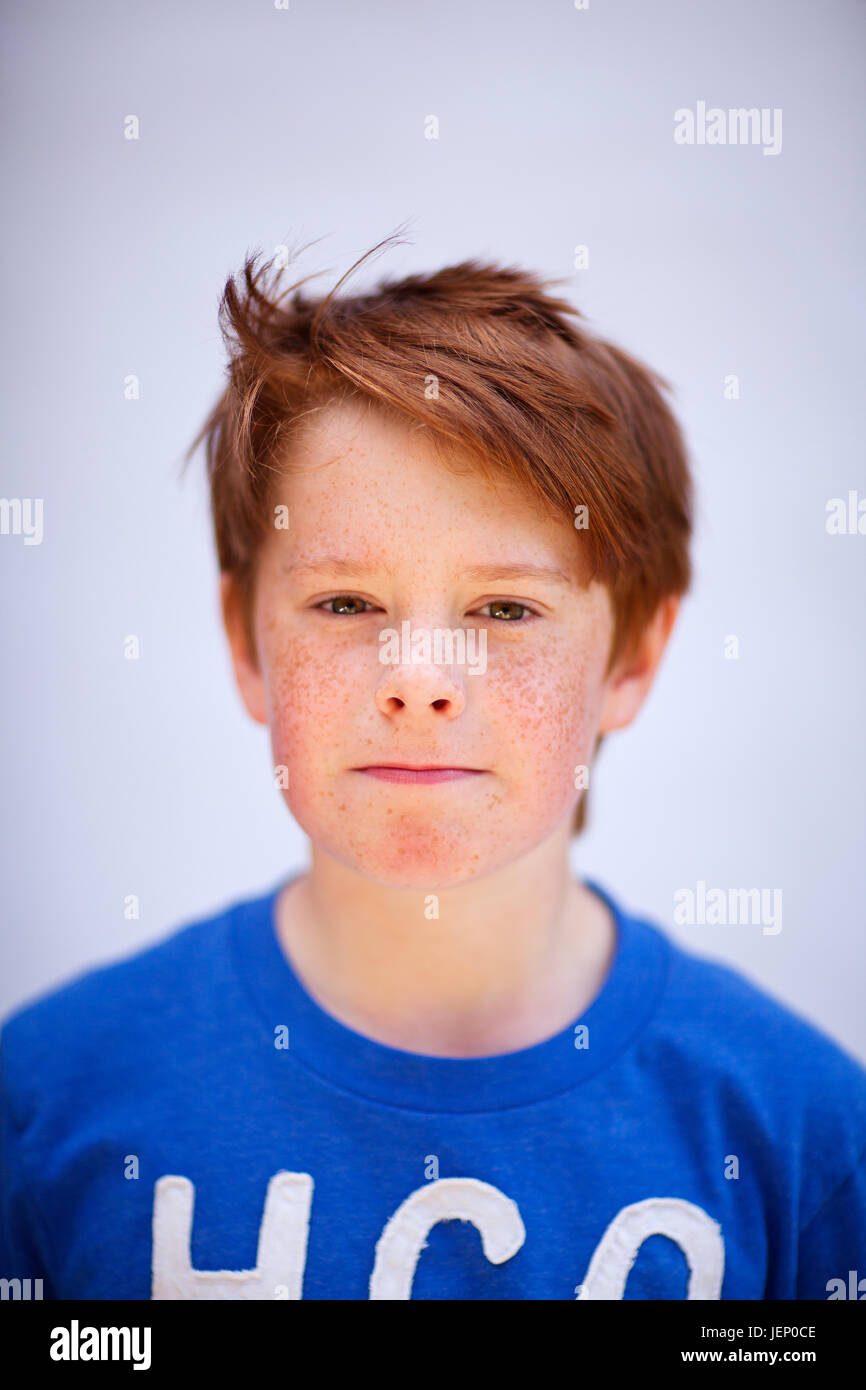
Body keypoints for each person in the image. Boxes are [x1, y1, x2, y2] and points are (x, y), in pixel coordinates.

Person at [2, 238, 864, 1300]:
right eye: (346, 605)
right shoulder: (46, 1101)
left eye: (504, 609)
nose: (419, 680)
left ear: (631, 656)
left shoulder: (800, 1134)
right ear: (244, 641)